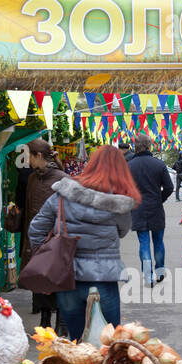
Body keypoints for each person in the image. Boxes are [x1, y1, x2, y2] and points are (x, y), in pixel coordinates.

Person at [28, 145, 140, 339]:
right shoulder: (118, 201)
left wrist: (45, 259)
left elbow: (36, 228)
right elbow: (122, 231)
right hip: (104, 279)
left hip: (67, 277)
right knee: (110, 346)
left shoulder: (63, 194)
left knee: (78, 343)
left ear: (91, 165)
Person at [21, 138, 66, 329]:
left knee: (58, 282)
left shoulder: (63, 179)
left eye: (29, 156)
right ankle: (45, 323)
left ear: (38, 155)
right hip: (34, 239)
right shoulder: (31, 178)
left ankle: (62, 325)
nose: (28, 161)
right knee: (40, 282)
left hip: (57, 241)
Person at [126, 132, 173, 285]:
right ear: (149, 145)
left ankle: (148, 276)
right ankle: (160, 272)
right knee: (158, 241)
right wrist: (160, 198)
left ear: (135, 146)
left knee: (144, 243)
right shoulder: (159, 164)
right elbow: (169, 187)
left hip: (138, 209)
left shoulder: (129, 166)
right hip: (156, 208)